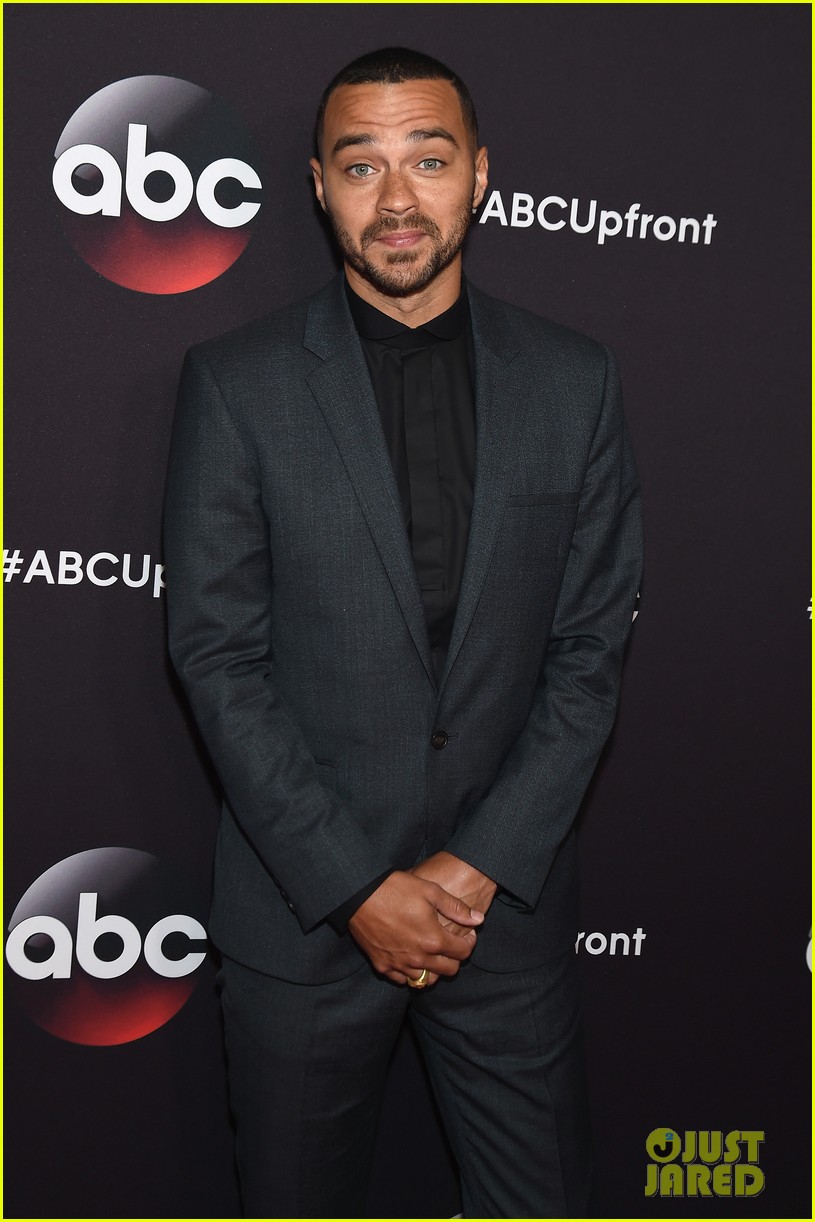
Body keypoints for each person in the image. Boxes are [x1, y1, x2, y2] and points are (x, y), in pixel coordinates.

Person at [164, 45, 642, 1219]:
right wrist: (355, 885)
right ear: (315, 185)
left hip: (506, 919)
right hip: (303, 917)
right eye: (359, 164)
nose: (395, 199)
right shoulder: (237, 384)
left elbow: (589, 651)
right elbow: (216, 657)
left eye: (426, 161)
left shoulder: (573, 382)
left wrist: (470, 870)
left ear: (479, 175)